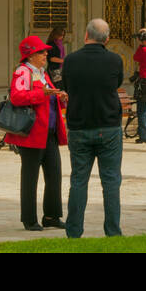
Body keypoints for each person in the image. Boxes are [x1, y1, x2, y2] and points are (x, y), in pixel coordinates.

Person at [61, 18, 125, 238]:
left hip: (79, 125)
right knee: (111, 182)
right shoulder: (115, 60)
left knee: (78, 180)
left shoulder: (70, 60)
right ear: (106, 39)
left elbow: (66, 86)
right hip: (108, 126)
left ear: (86, 36)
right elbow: (116, 84)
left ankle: (74, 231)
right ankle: (113, 231)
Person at [6, 36, 69, 231]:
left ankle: (51, 216)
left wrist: (59, 96)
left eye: (45, 51)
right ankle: (29, 219)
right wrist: (44, 93)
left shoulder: (42, 73)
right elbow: (17, 98)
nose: (46, 54)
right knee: (30, 177)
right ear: (30, 55)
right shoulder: (22, 72)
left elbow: (47, 97)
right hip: (31, 134)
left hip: (48, 132)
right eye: (41, 52)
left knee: (54, 175)